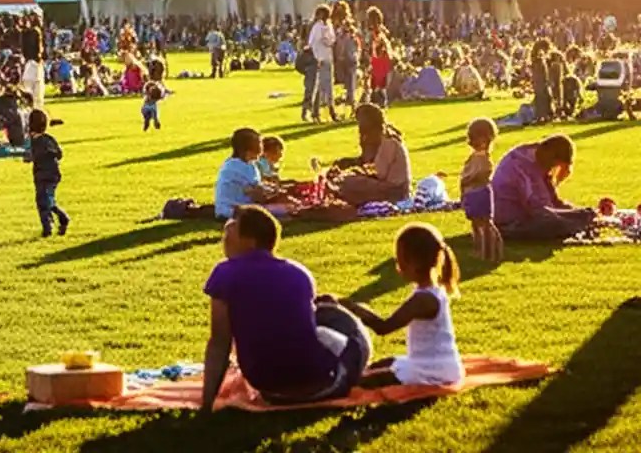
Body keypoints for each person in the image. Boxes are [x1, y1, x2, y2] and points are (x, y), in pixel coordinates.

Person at [201, 207, 371, 410]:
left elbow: (220, 341)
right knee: (330, 313)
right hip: (324, 383)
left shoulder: (225, 273)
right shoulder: (299, 273)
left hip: (269, 387)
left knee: (323, 313)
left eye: (228, 236)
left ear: (251, 241)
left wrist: (207, 403)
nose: (224, 241)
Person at [338, 223, 464, 386]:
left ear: (414, 262)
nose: (398, 268)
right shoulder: (430, 290)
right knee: (380, 365)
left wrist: (350, 307)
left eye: (399, 261)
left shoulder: (424, 300)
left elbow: (384, 327)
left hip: (434, 370)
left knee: (362, 381)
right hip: (426, 362)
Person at [489, 134, 594, 240]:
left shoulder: (540, 164)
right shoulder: (520, 165)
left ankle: (578, 224)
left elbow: (555, 202)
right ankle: (575, 226)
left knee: (581, 215)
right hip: (510, 223)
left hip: (531, 217)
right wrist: (573, 217)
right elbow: (538, 210)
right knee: (553, 223)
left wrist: (580, 212)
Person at [335, 104, 411, 206]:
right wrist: (349, 163)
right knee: (343, 180)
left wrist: (357, 173)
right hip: (383, 186)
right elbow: (366, 161)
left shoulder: (389, 142)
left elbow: (378, 173)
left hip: (395, 191)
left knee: (348, 182)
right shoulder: (371, 139)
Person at [460, 118, 503, 262]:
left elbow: (484, 174)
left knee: (485, 223)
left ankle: (490, 251)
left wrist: (470, 179)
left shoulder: (484, 158)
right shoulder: (473, 157)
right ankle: (479, 249)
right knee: (475, 223)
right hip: (471, 193)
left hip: (480, 193)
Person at [214, 128, 282, 219]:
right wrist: (274, 192)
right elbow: (256, 193)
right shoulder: (236, 167)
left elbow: (257, 185)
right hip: (232, 210)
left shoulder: (248, 164)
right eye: (259, 144)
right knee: (283, 208)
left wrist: (271, 188)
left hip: (242, 206)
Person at [24, 109, 69, 237]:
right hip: (52, 174)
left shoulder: (35, 142)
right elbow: (59, 154)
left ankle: (48, 226)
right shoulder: (49, 139)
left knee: (43, 202)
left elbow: (32, 156)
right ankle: (60, 219)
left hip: (43, 175)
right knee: (47, 200)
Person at [306, 6, 338, 122]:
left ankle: (325, 111)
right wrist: (317, 55)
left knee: (327, 86)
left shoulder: (329, 26)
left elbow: (332, 39)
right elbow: (312, 42)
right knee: (321, 87)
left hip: (328, 57)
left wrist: (327, 41)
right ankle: (322, 112)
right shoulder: (317, 27)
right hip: (319, 59)